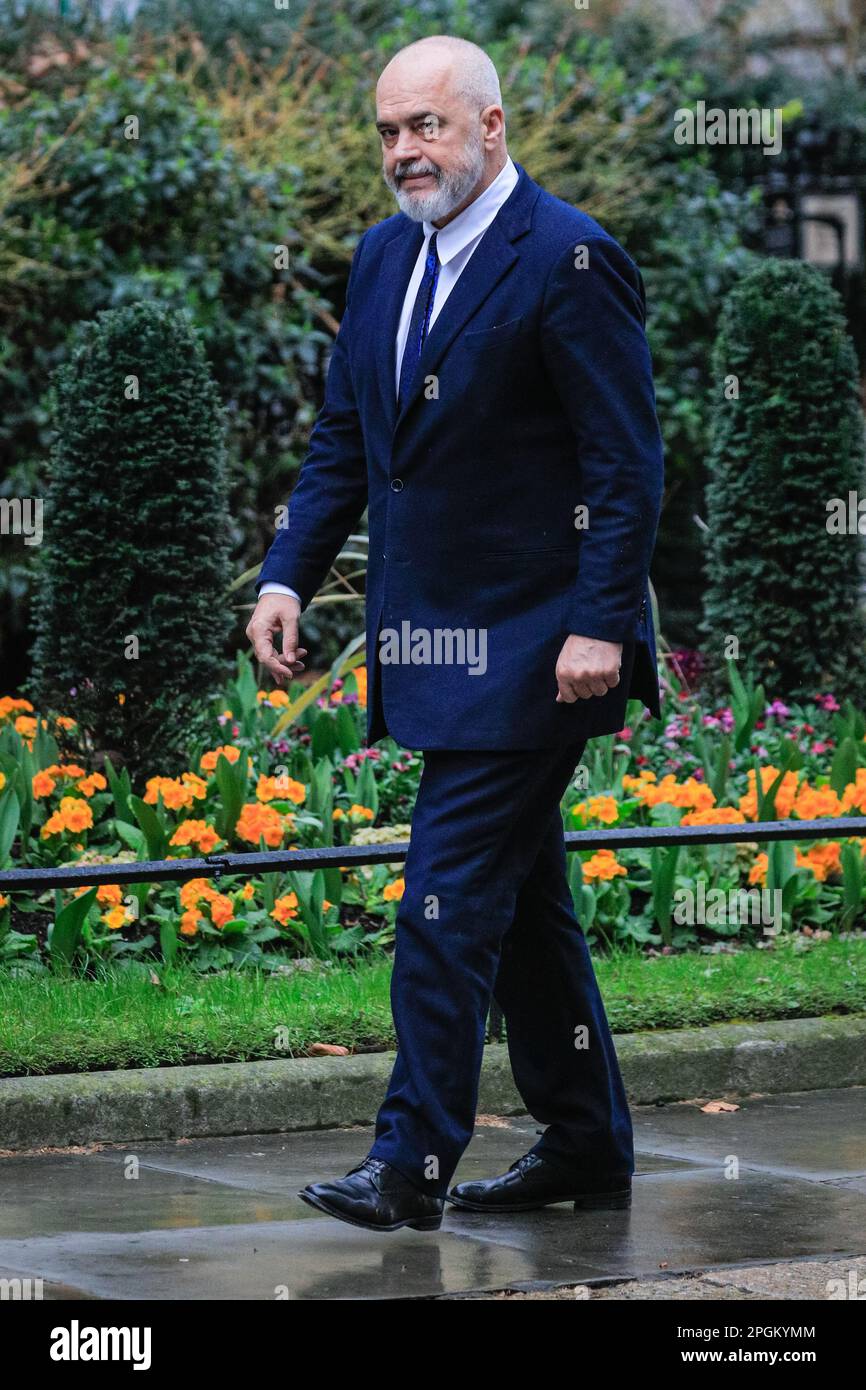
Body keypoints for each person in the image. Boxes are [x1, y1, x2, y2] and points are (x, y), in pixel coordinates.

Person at [246, 34, 664, 1233]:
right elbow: (344, 441)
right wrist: (288, 575)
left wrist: (598, 624)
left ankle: (407, 1164)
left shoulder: (569, 256)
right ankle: (584, 1143)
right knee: (519, 908)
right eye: (386, 131)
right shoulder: (383, 255)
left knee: (439, 898)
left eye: (424, 126)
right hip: (435, 644)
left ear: (489, 126)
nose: (400, 152)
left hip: (540, 648)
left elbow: (623, 462)